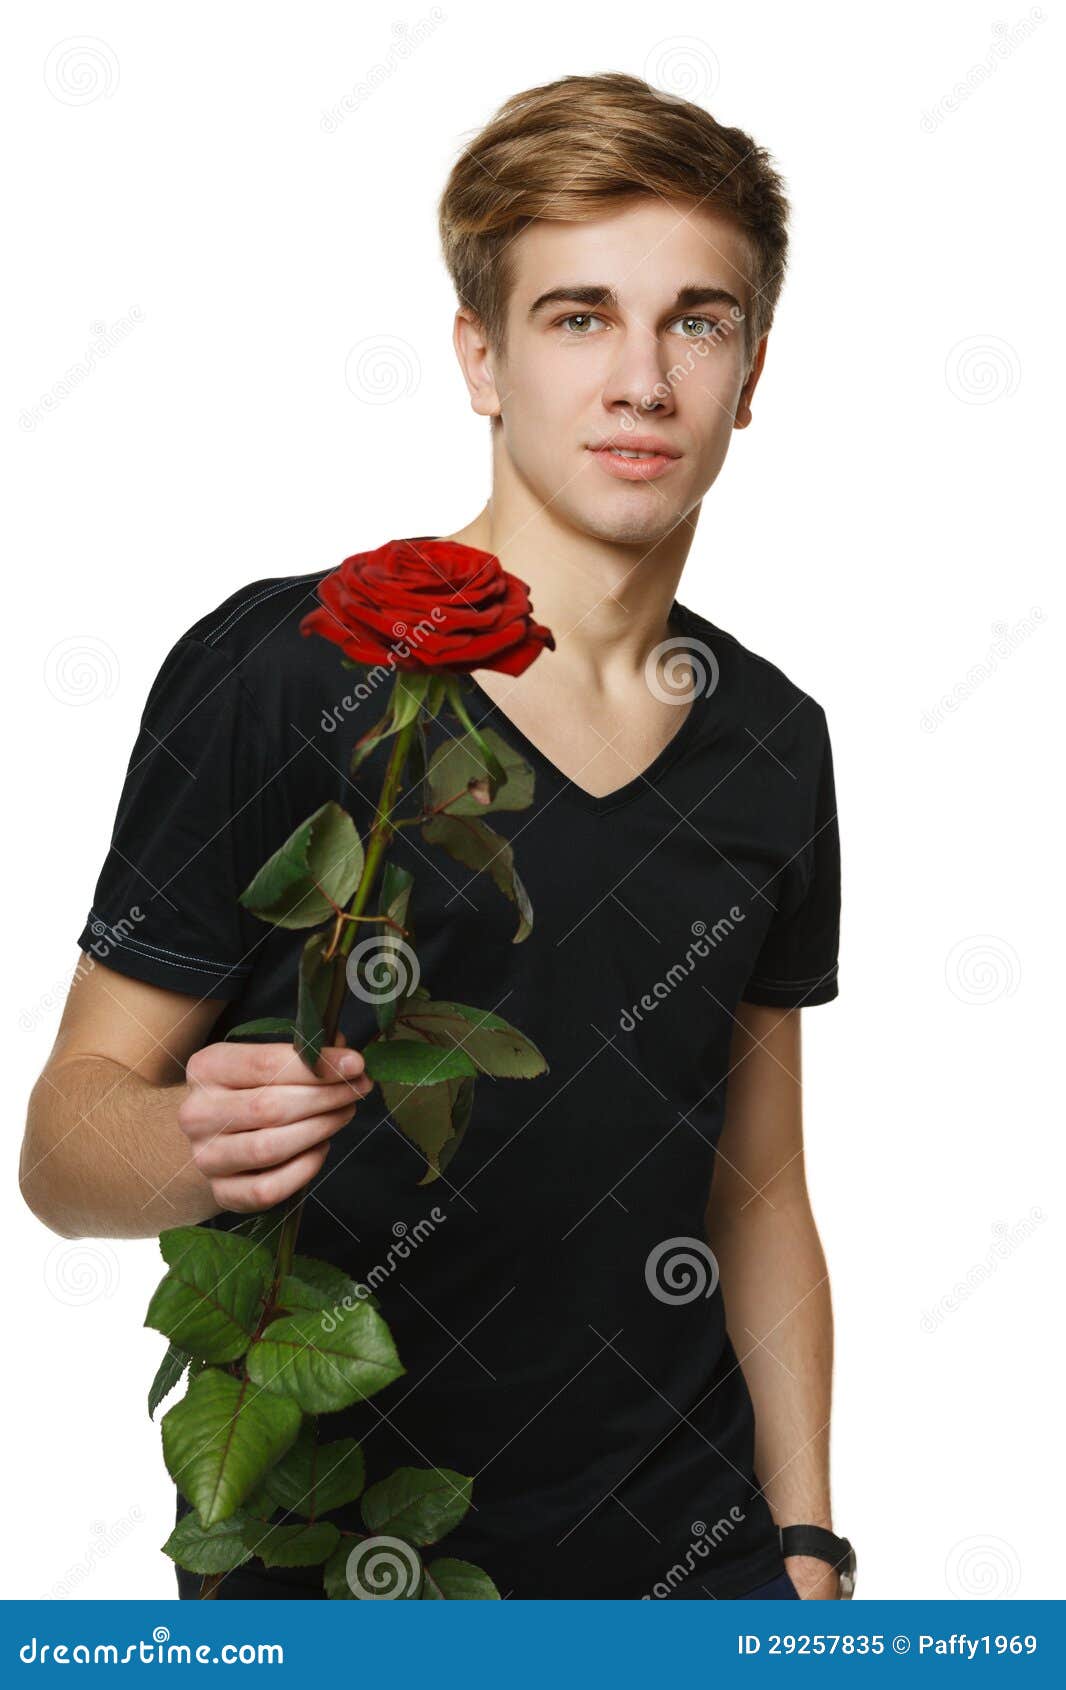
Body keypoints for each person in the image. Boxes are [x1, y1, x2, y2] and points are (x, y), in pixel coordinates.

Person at [20, 71, 854, 1601]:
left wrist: (804, 1541)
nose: (641, 380)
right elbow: (64, 1146)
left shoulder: (773, 739)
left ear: (748, 371)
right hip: (335, 1566)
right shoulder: (290, 668)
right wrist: (188, 1141)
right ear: (480, 355)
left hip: (690, 1563)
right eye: (577, 315)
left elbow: (757, 1184)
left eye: (697, 319)